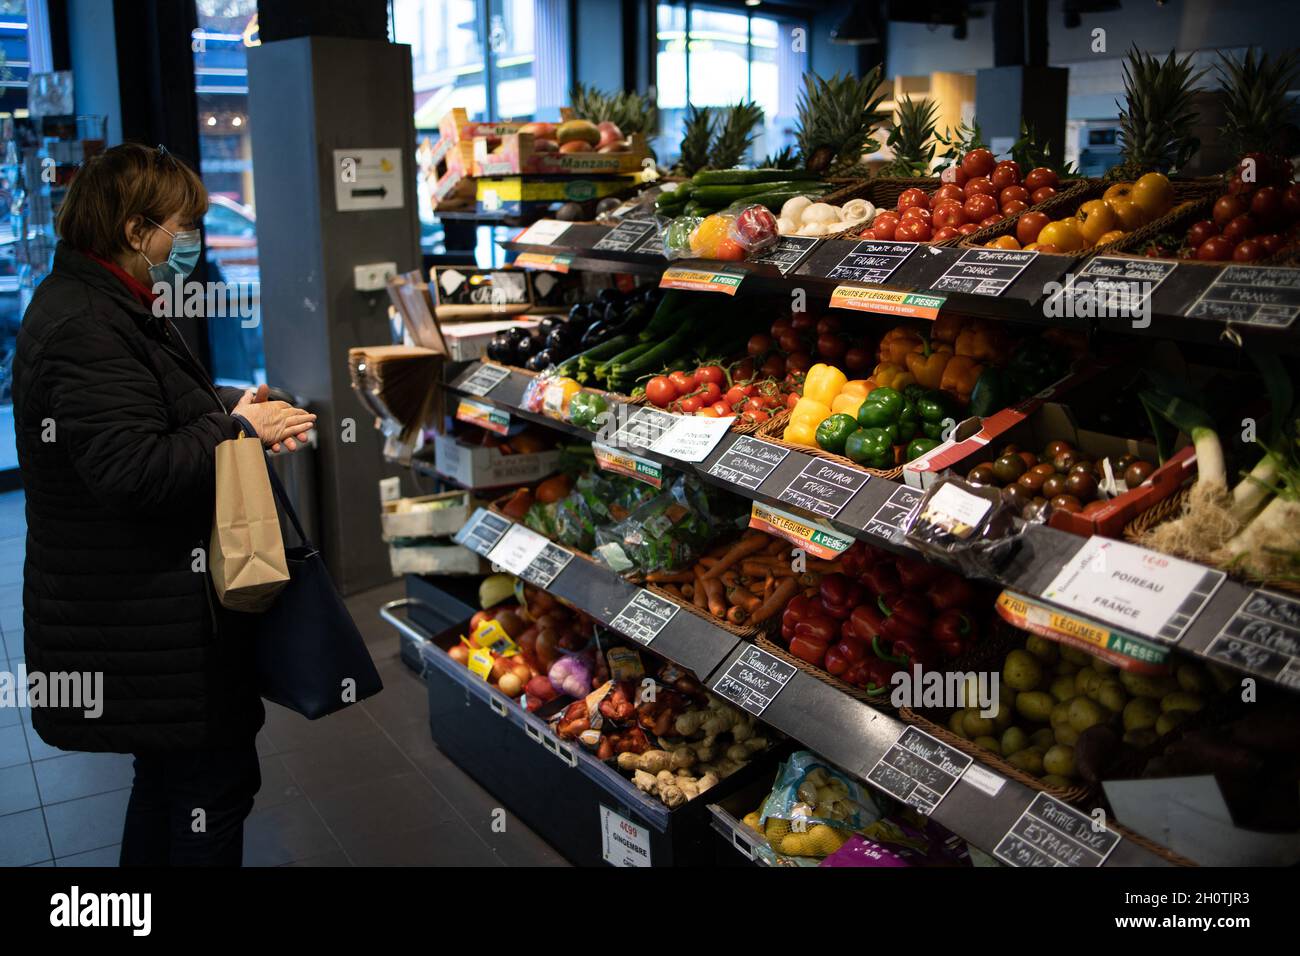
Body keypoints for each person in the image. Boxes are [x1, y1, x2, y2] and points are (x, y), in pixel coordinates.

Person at [11, 143, 315, 866]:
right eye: (183, 224)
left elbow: (143, 421)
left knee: (174, 781)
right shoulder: (88, 324)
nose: (192, 241)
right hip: (144, 614)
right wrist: (237, 427)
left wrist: (226, 411)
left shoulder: (105, 301)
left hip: (143, 613)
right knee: (210, 791)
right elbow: (133, 471)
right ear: (134, 227)